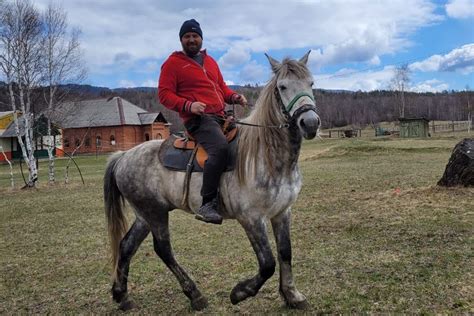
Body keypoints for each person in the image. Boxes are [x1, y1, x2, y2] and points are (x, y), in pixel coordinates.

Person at [158, 19, 247, 224]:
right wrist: (189, 106)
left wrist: (234, 97)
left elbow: (222, 88)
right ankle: (207, 203)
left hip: (220, 116)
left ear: (201, 38)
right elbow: (164, 95)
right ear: (181, 40)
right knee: (220, 148)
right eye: (187, 36)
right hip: (198, 120)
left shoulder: (210, 61)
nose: (191, 39)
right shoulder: (172, 64)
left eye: (195, 36)